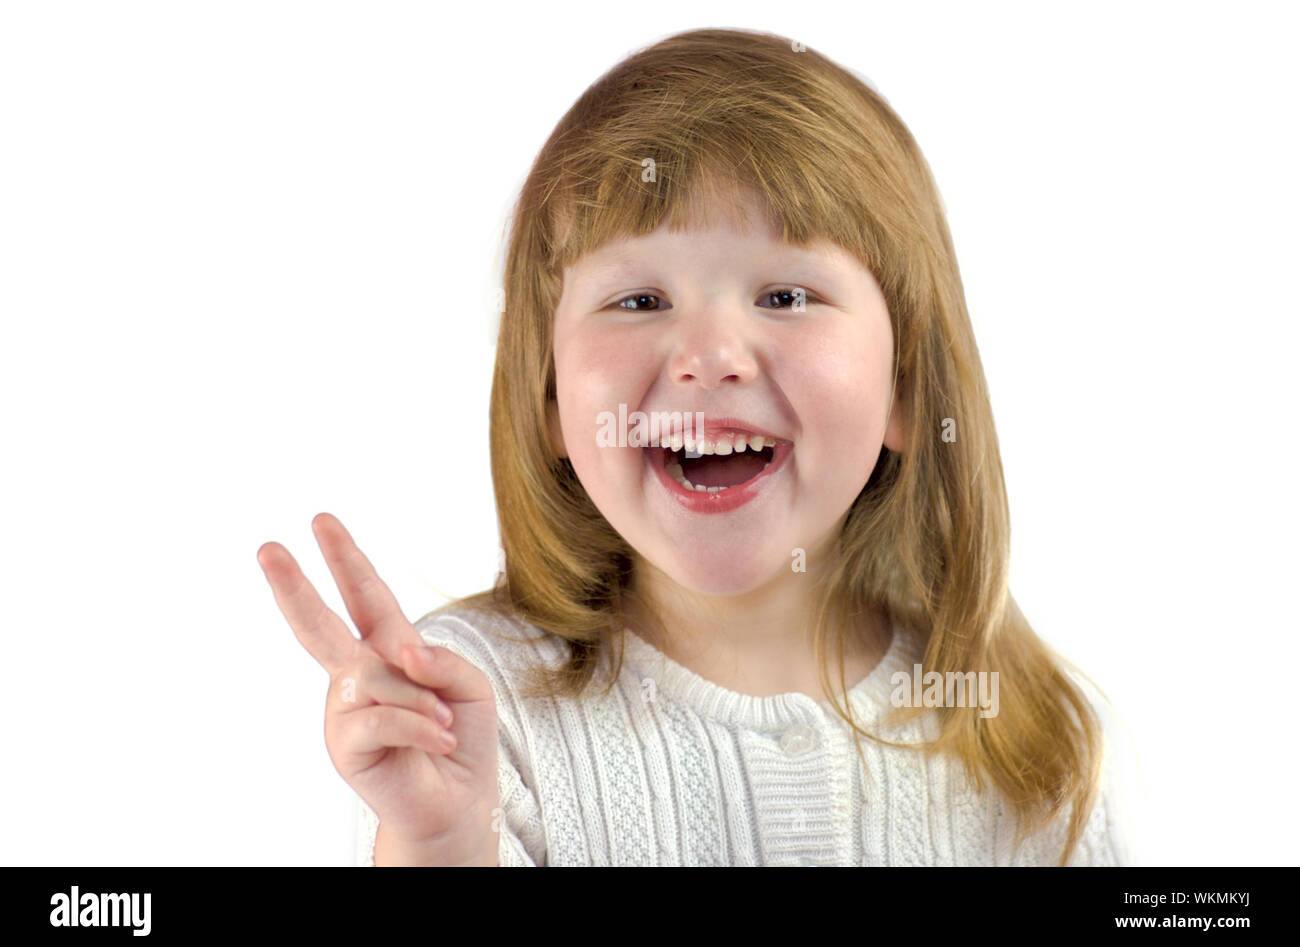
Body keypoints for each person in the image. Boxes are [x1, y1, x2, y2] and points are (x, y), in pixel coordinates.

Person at [258, 27, 1139, 866]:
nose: (709, 358)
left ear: (906, 390)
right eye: (639, 300)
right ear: (552, 406)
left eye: (787, 296)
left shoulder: (1029, 735)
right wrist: (444, 845)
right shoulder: (473, 705)